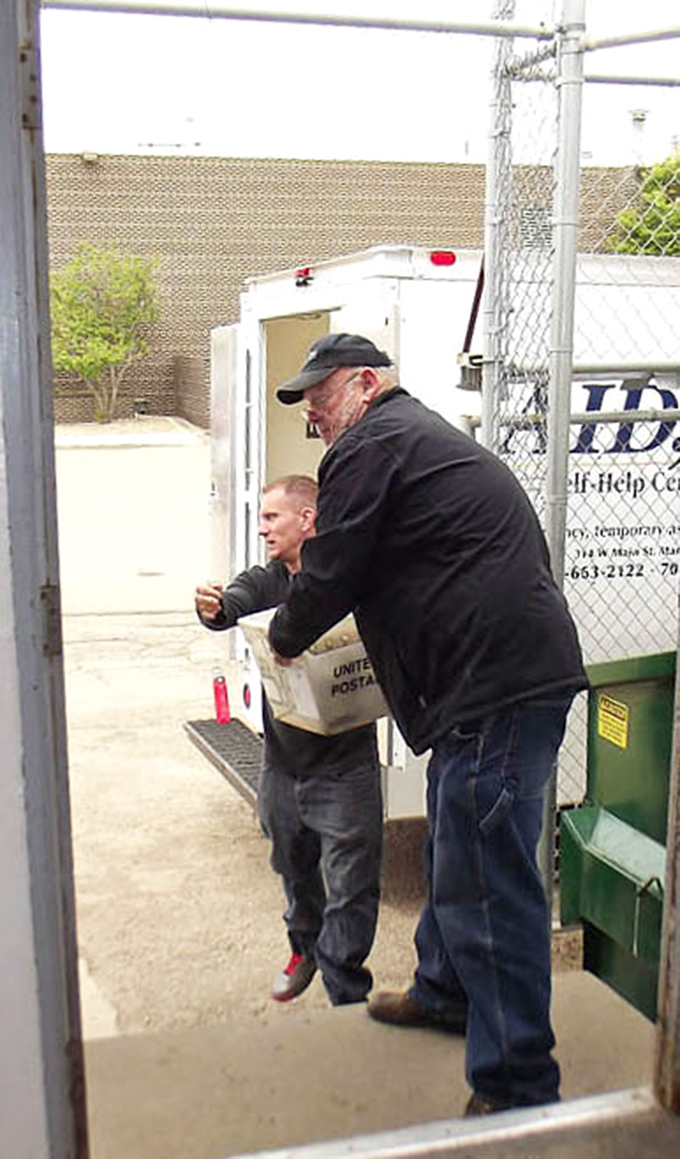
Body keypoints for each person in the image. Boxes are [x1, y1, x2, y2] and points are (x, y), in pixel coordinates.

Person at [268, 334, 588, 1115]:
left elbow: (335, 567)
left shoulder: (373, 442)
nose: (311, 407)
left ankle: (516, 1085)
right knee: (455, 843)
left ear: (367, 384)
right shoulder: (413, 440)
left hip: (495, 687)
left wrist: (280, 637)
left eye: (322, 390)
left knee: (488, 882)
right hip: (492, 683)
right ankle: (445, 990)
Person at [195, 474, 383, 1007]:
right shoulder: (269, 580)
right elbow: (233, 602)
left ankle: (345, 987)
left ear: (307, 519)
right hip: (282, 764)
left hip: (346, 765)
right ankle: (305, 948)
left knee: (352, 887)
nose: (262, 529)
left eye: (271, 518)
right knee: (294, 870)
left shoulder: (347, 579)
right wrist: (213, 608)